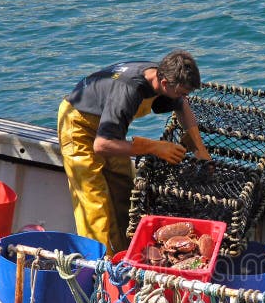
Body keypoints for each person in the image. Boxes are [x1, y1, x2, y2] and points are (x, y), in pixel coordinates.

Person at [58, 50, 210, 254]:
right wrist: (154, 147)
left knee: (125, 191)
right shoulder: (129, 91)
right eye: (182, 92)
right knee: (95, 202)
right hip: (79, 125)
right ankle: (99, 269)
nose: (185, 97)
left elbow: (182, 106)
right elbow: (101, 145)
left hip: (108, 126)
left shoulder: (161, 75)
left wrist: (200, 149)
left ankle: (126, 255)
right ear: (165, 84)